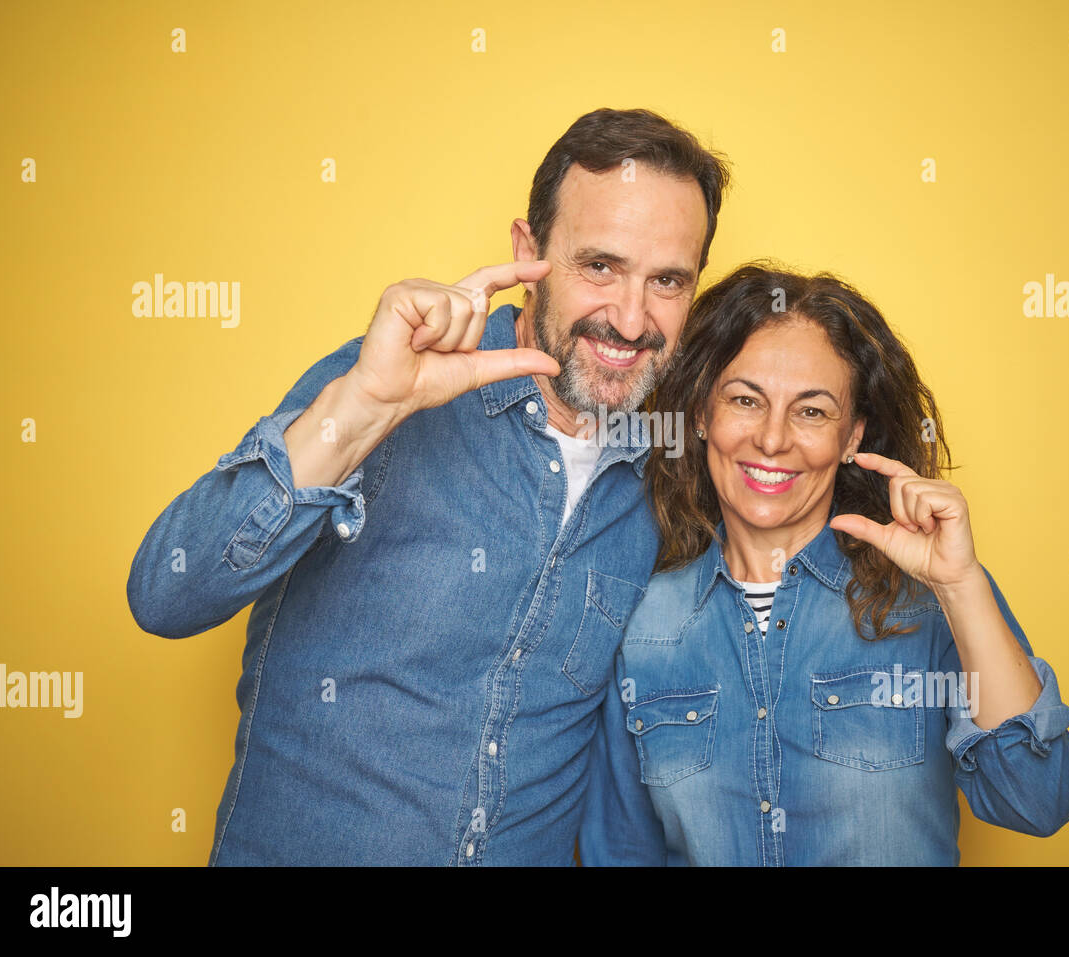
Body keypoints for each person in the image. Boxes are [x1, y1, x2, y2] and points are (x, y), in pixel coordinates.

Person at [125, 108, 731, 865]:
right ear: (528, 251)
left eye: (667, 280)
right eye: (600, 266)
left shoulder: (678, 464)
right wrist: (357, 415)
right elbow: (164, 595)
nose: (631, 317)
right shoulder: (389, 381)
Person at [578, 263, 1069, 865]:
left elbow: (1037, 800)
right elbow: (622, 854)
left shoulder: (930, 595)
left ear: (854, 436)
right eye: (745, 400)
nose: (772, 439)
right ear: (700, 415)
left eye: (812, 412)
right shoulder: (641, 623)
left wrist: (961, 584)